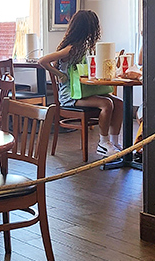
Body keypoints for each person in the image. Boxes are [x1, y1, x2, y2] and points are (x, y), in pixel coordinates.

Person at [40, 10, 124, 157]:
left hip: (84, 92)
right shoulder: (71, 49)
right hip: (70, 96)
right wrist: (60, 75)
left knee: (119, 103)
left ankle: (114, 141)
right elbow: (42, 61)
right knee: (107, 104)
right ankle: (103, 143)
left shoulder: (84, 48)